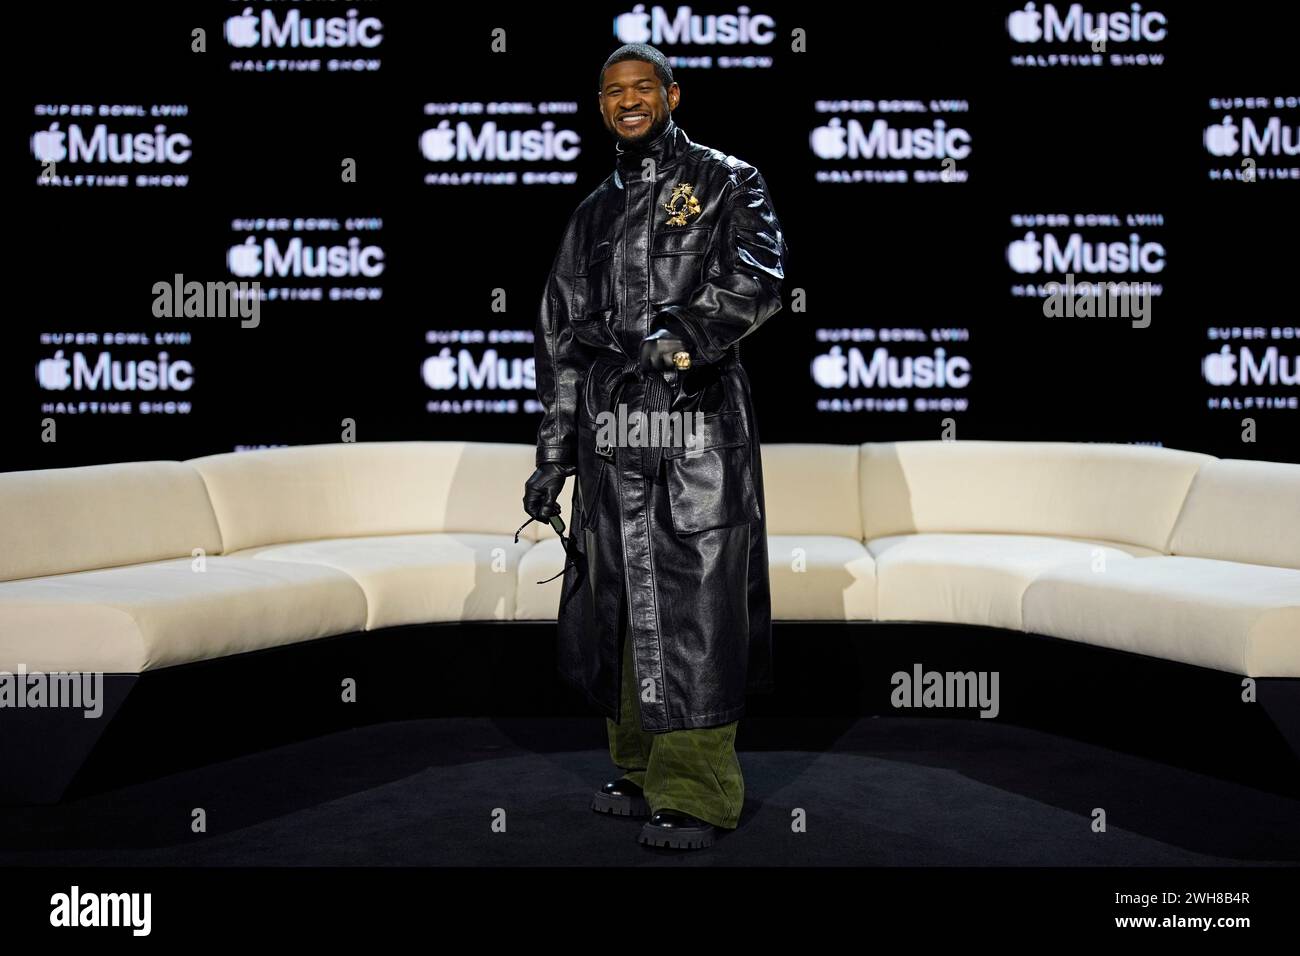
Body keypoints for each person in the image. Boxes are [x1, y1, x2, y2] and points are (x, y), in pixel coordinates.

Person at [522, 42, 787, 851]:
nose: (629, 101)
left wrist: (678, 340)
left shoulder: (725, 179)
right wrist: (554, 456)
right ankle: (639, 769)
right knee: (622, 599)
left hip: (692, 424)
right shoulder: (592, 213)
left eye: (643, 88)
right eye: (614, 92)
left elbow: (758, 276)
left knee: (693, 607)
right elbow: (563, 342)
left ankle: (700, 793)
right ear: (601, 106)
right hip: (611, 433)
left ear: (673, 94)